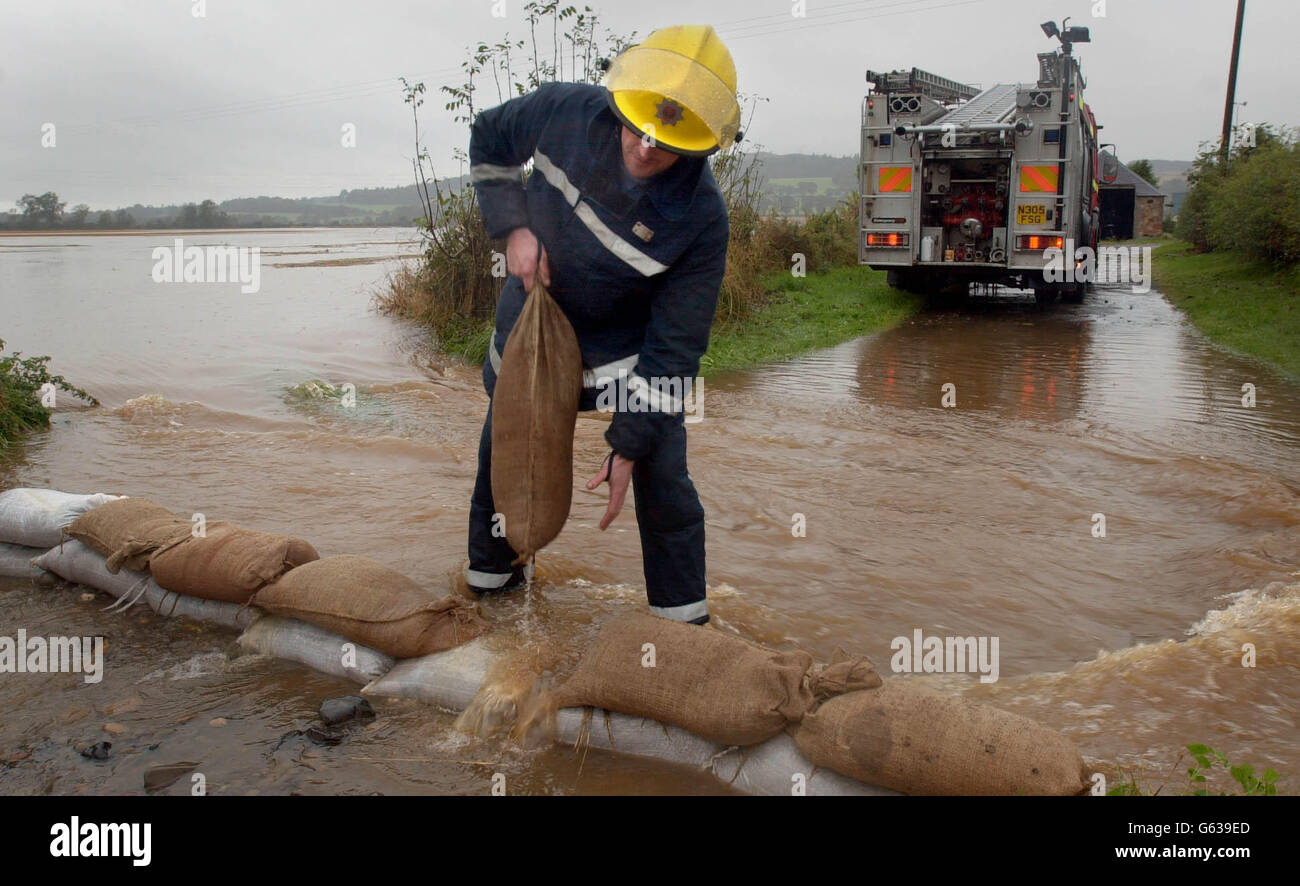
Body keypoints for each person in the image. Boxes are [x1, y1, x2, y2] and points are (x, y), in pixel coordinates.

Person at [464, 24, 741, 625]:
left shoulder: (702, 221)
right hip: (535, 325)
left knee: (663, 471)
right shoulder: (564, 109)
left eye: (665, 145)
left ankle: (681, 627)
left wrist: (627, 445)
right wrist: (512, 227)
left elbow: (675, 351)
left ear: (696, 147)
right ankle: (490, 601)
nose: (644, 150)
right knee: (502, 453)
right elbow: (489, 138)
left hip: (627, 358)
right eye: (636, 130)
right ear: (621, 102)